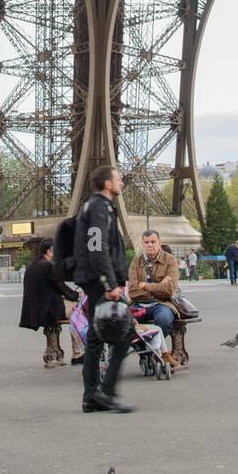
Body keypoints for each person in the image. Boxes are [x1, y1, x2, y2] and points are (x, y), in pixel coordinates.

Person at [72, 164, 133, 414]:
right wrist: (109, 284)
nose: (121, 182)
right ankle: (106, 392)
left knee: (97, 338)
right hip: (99, 282)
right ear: (107, 184)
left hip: (94, 279)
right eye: (118, 179)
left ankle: (91, 396)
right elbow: (97, 248)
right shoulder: (98, 207)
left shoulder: (96, 206)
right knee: (123, 331)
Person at [19, 239, 81, 367]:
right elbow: (61, 286)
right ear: (48, 251)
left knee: (75, 308)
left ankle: (57, 353)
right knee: (80, 311)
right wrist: (78, 296)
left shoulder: (33, 265)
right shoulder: (47, 266)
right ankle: (78, 353)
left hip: (37, 309)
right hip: (48, 309)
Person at [128, 230, 179, 370]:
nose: (149, 245)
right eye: (146, 242)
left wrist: (145, 285)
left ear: (160, 243)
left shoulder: (170, 260)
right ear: (142, 244)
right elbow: (132, 291)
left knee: (164, 320)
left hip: (161, 304)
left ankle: (149, 352)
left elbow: (169, 290)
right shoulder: (136, 261)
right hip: (138, 304)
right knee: (123, 322)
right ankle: (151, 352)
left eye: (153, 242)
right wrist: (159, 287)